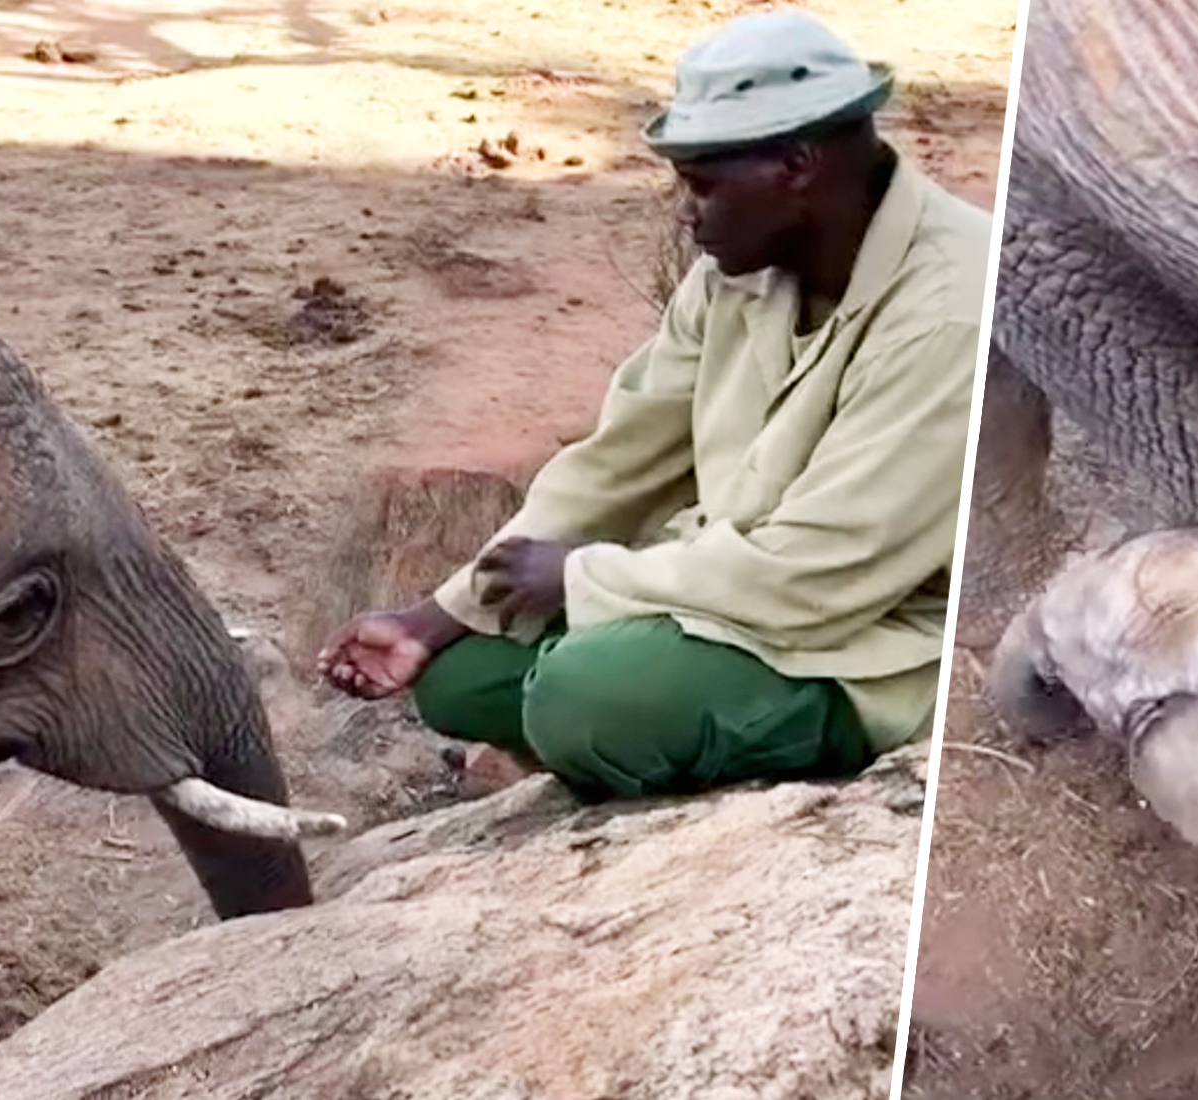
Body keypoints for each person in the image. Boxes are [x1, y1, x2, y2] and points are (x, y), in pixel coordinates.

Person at [315, 9, 989, 802]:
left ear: (798, 164)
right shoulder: (738, 270)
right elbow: (618, 463)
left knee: (582, 699)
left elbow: (818, 575)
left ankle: (745, 739)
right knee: (459, 679)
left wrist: (587, 577)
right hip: (718, 590)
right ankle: (661, 710)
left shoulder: (948, 312)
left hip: (863, 639)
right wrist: (441, 612)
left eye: (702, 185)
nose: (684, 213)